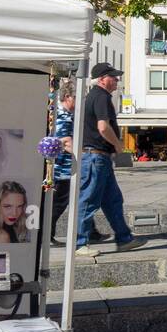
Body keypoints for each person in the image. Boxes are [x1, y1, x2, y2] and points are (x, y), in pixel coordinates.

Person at [74, 63, 144, 257]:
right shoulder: (101, 97)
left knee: (113, 200)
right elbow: (103, 127)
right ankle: (79, 243)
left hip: (99, 158)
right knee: (87, 200)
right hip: (95, 157)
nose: (117, 80)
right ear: (102, 79)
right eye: (113, 77)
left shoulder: (94, 96)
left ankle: (124, 239)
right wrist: (119, 145)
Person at [50, 83, 108, 248]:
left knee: (79, 200)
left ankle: (92, 232)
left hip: (68, 167)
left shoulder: (67, 114)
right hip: (64, 169)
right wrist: (85, 154)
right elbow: (66, 141)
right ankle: (46, 234)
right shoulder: (63, 116)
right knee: (60, 203)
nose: (81, 101)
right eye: (78, 98)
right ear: (68, 97)